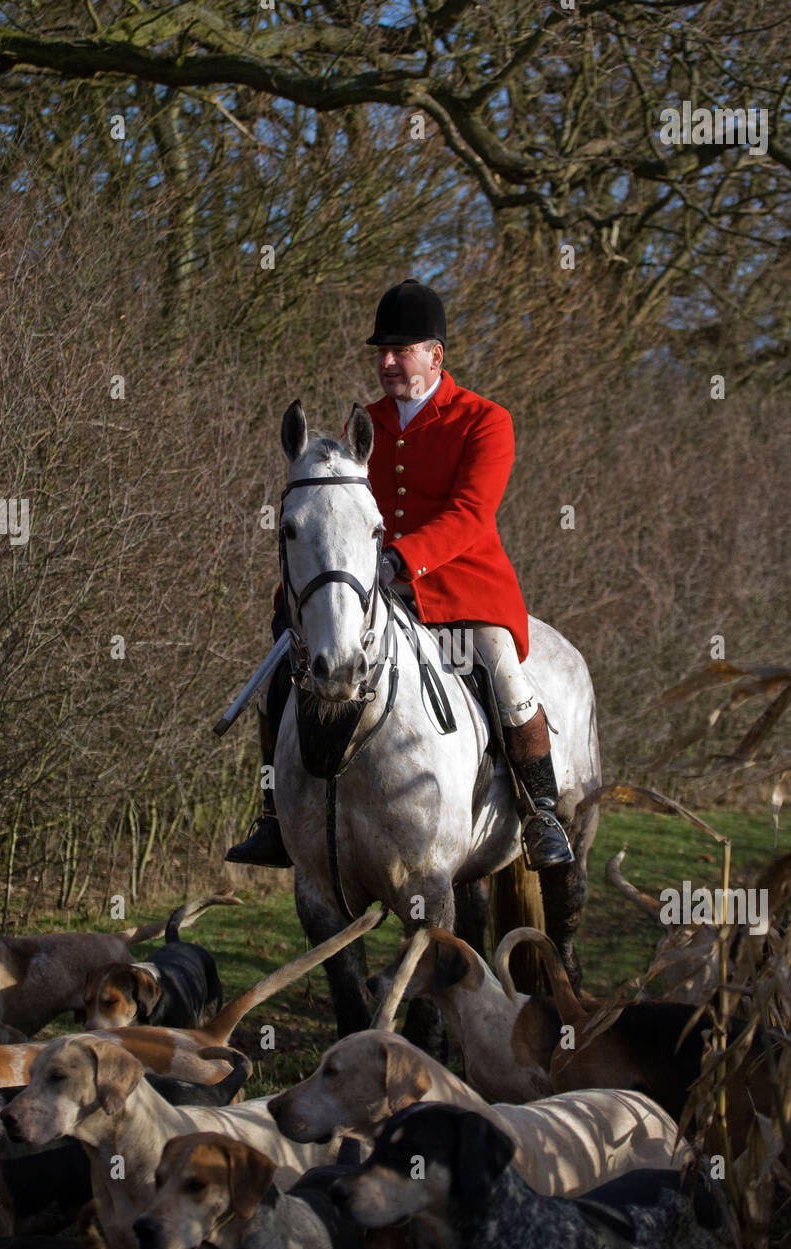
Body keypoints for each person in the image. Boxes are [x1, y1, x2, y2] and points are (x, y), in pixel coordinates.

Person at [226, 279, 573, 872]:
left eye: (400, 350)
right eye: (380, 352)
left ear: (436, 355)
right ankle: (274, 816)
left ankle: (541, 813)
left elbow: (471, 515)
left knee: (505, 676)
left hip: (462, 584)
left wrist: (400, 560)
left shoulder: (485, 421)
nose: (386, 362)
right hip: (370, 591)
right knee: (286, 662)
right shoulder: (364, 427)